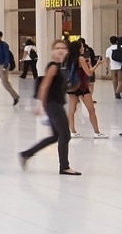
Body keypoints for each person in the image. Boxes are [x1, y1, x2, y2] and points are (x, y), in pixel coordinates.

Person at [18, 38, 78, 175]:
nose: (60, 50)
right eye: (57, 48)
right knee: (65, 135)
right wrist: (39, 104)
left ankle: (26, 154)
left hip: (55, 104)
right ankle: (64, 167)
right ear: (52, 51)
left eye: (63, 48)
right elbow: (44, 85)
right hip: (53, 105)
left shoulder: (60, 66)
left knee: (55, 136)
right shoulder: (53, 66)